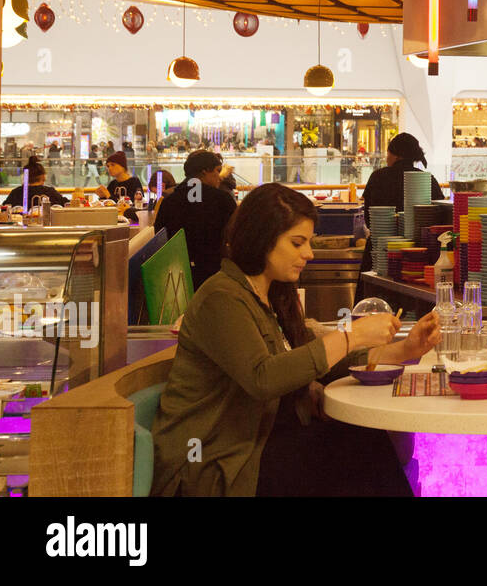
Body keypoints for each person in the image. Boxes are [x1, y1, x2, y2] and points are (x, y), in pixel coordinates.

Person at [150, 183, 441, 496]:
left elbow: (314, 360)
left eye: (309, 242)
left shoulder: (271, 295)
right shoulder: (221, 297)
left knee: (366, 440)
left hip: (260, 444)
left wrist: (407, 348)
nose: (309, 253)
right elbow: (264, 377)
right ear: (261, 239)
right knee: (361, 454)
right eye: (297, 242)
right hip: (219, 462)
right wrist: (351, 335)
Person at [154, 151, 240, 290]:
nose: (219, 177)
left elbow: (160, 236)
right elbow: (236, 235)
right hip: (215, 275)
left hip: (177, 276)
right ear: (205, 171)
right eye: (217, 171)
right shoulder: (221, 200)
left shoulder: (169, 201)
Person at [360, 133, 443, 272]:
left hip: (380, 251)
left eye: (388, 154)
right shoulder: (428, 179)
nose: (387, 159)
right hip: (417, 255)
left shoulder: (378, 177)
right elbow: (439, 217)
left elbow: (369, 219)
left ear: (396, 155)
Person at [94, 150, 143, 223]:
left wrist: (108, 195)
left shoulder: (134, 182)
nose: (109, 168)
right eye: (108, 166)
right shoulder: (112, 184)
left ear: (123, 166)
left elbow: (132, 206)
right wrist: (102, 196)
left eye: (113, 165)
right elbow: (107, 204)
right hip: (112, 220)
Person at [3, 160, 69, 210]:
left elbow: (4, 209)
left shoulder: (16, 193)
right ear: (43, 177)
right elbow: (67, 205)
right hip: (47, 227)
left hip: (20, 227)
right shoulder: (51, 193)